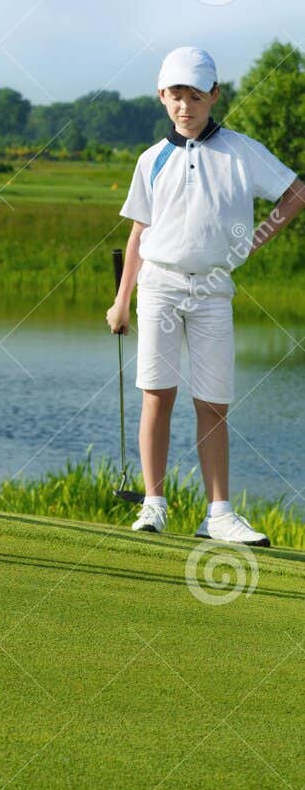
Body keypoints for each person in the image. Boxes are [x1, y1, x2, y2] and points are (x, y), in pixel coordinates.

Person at [106, 45, 305, 545]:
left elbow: (296, 191)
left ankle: (218, 515)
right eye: (176, 96)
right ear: (161, 96)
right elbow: (138, 234)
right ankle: (154, 505)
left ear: (214, 95)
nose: (185, 107)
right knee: (157, 395)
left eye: (195, 96)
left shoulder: (241, 150)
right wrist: (121, 300)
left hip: (214, 291)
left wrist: (253, 241)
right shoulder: (151, 159)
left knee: (213, 403)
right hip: (159, 287)